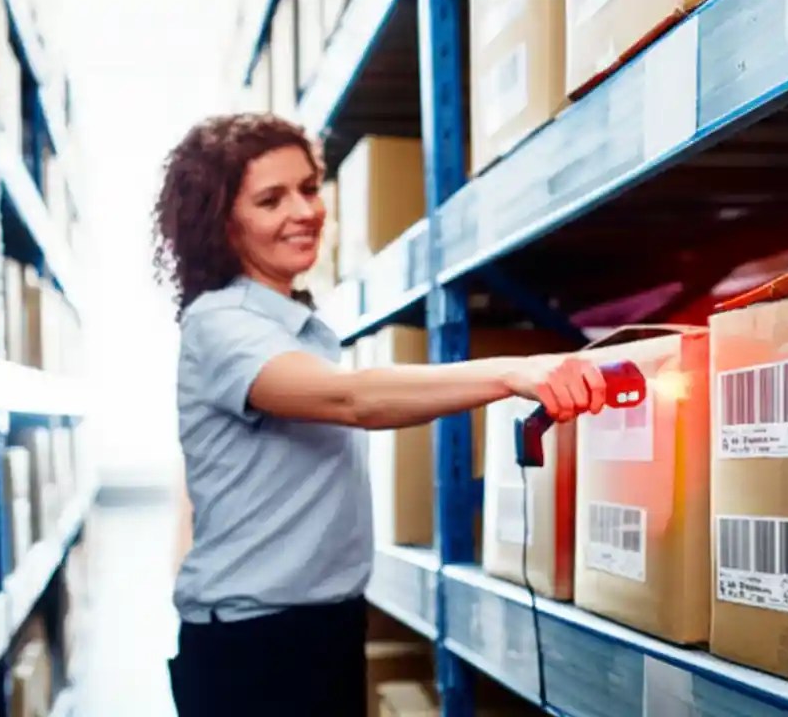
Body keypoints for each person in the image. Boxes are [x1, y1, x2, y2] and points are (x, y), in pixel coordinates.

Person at [152, 113, 605, 716]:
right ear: (221, 222)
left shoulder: (293, 324)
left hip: (321, 626)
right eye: (270, 200)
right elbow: (352, 400)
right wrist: (512, 374)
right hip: (255, 645)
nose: (304, 212)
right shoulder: (221, 323)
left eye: (308, 189)